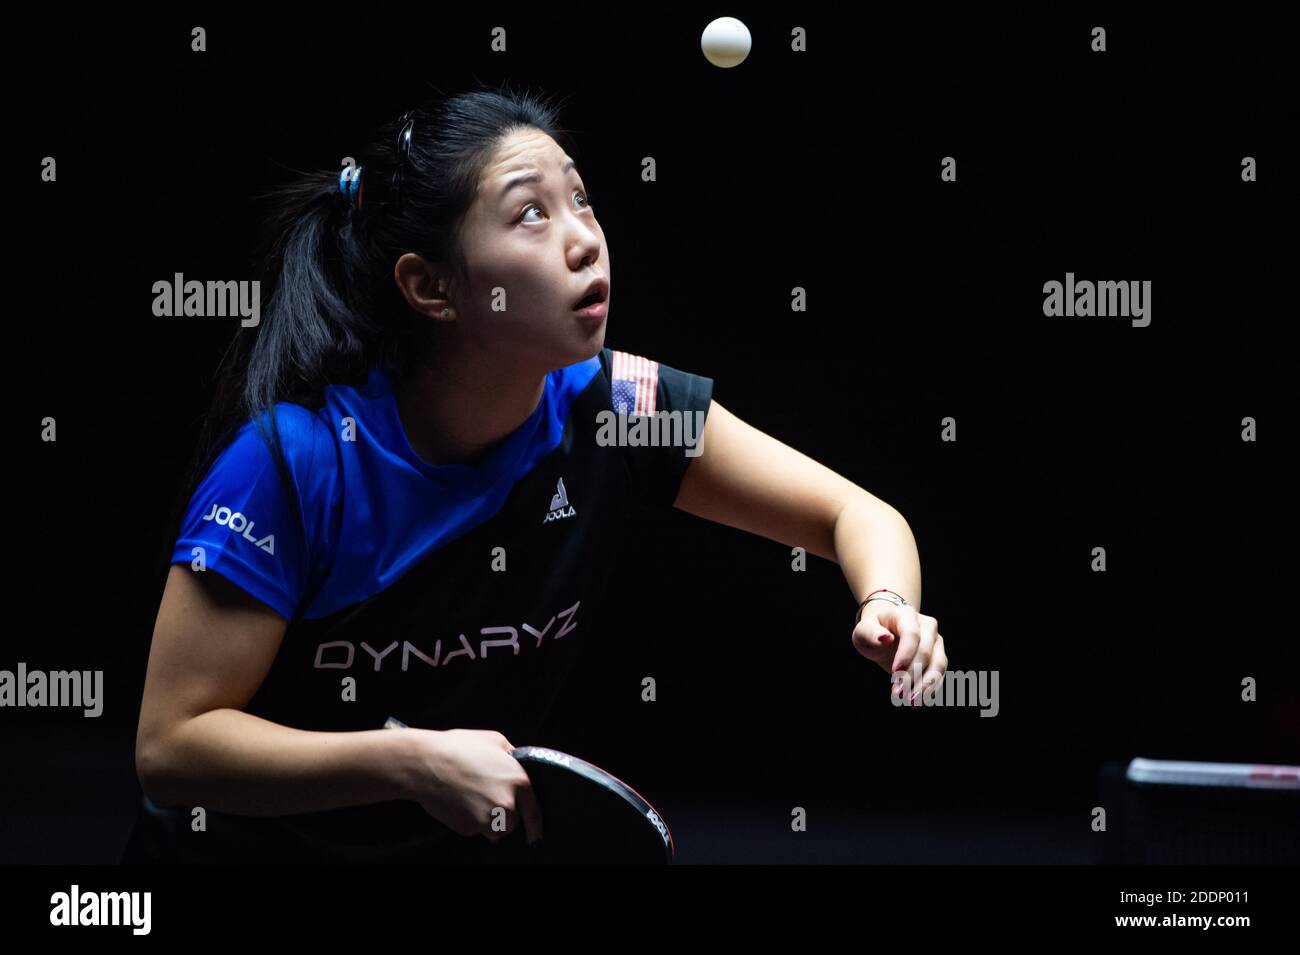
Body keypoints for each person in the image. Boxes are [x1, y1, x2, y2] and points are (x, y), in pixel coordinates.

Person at [123, 83, 948, 865]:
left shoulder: (620, 407)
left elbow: (856, 514)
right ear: (432, 287)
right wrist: (407, 760)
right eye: (530, 214)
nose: (585, 237)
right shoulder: (298, 465)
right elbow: (172, 744)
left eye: (581, 198)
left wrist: (890, 605)